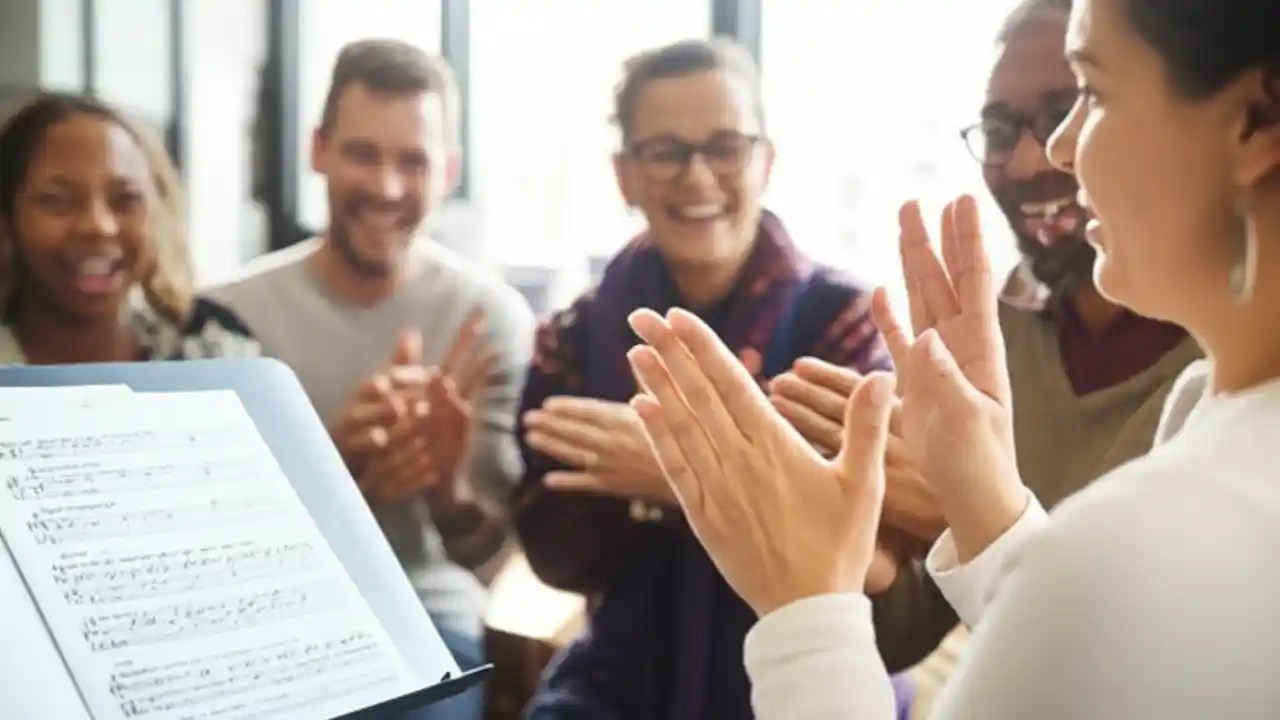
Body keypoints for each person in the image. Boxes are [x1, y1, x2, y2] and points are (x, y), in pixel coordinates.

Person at [626, 0, 1280, 716]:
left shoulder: (1158, 522)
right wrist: (986, 507)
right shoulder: (1204, 420)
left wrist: (806, 603)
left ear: (1254, 121)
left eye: (1090, 93)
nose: (1055, 151)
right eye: (1002, 129)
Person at [765, 0, 1203, 677]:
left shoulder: (1230, 358)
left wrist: (968, 510)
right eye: (999, 130)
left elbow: (1163, 666)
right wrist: (862, 554)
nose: (1031, 161)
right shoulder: (991, 330)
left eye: (1067, 112)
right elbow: (916, 629)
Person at [512, 39, 907, 720]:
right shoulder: (572, 334)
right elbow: (554, 553)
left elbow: (877, 563)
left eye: (725, 147)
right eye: (665, 152)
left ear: (766, 160)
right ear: (624, 175)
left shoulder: (843, 321)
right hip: (621, 674)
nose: (697, 178)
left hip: (812, 675)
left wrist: (670, 476)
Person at [208, 40, 535, 720]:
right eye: (362, 153)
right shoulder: (227, 315)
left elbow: (492, 561)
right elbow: (208, 548)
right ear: (318, 149)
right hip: (262, 628)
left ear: (447, 171)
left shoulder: (490, 319)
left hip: (426, 622)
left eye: (412, 161)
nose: (386, 187)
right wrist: (333, 468)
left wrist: (447, 491)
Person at [0, 93, 257, 364]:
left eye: (126, 199)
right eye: (57, 201)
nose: (98, 226)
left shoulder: (212, 345)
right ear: (7, 216)